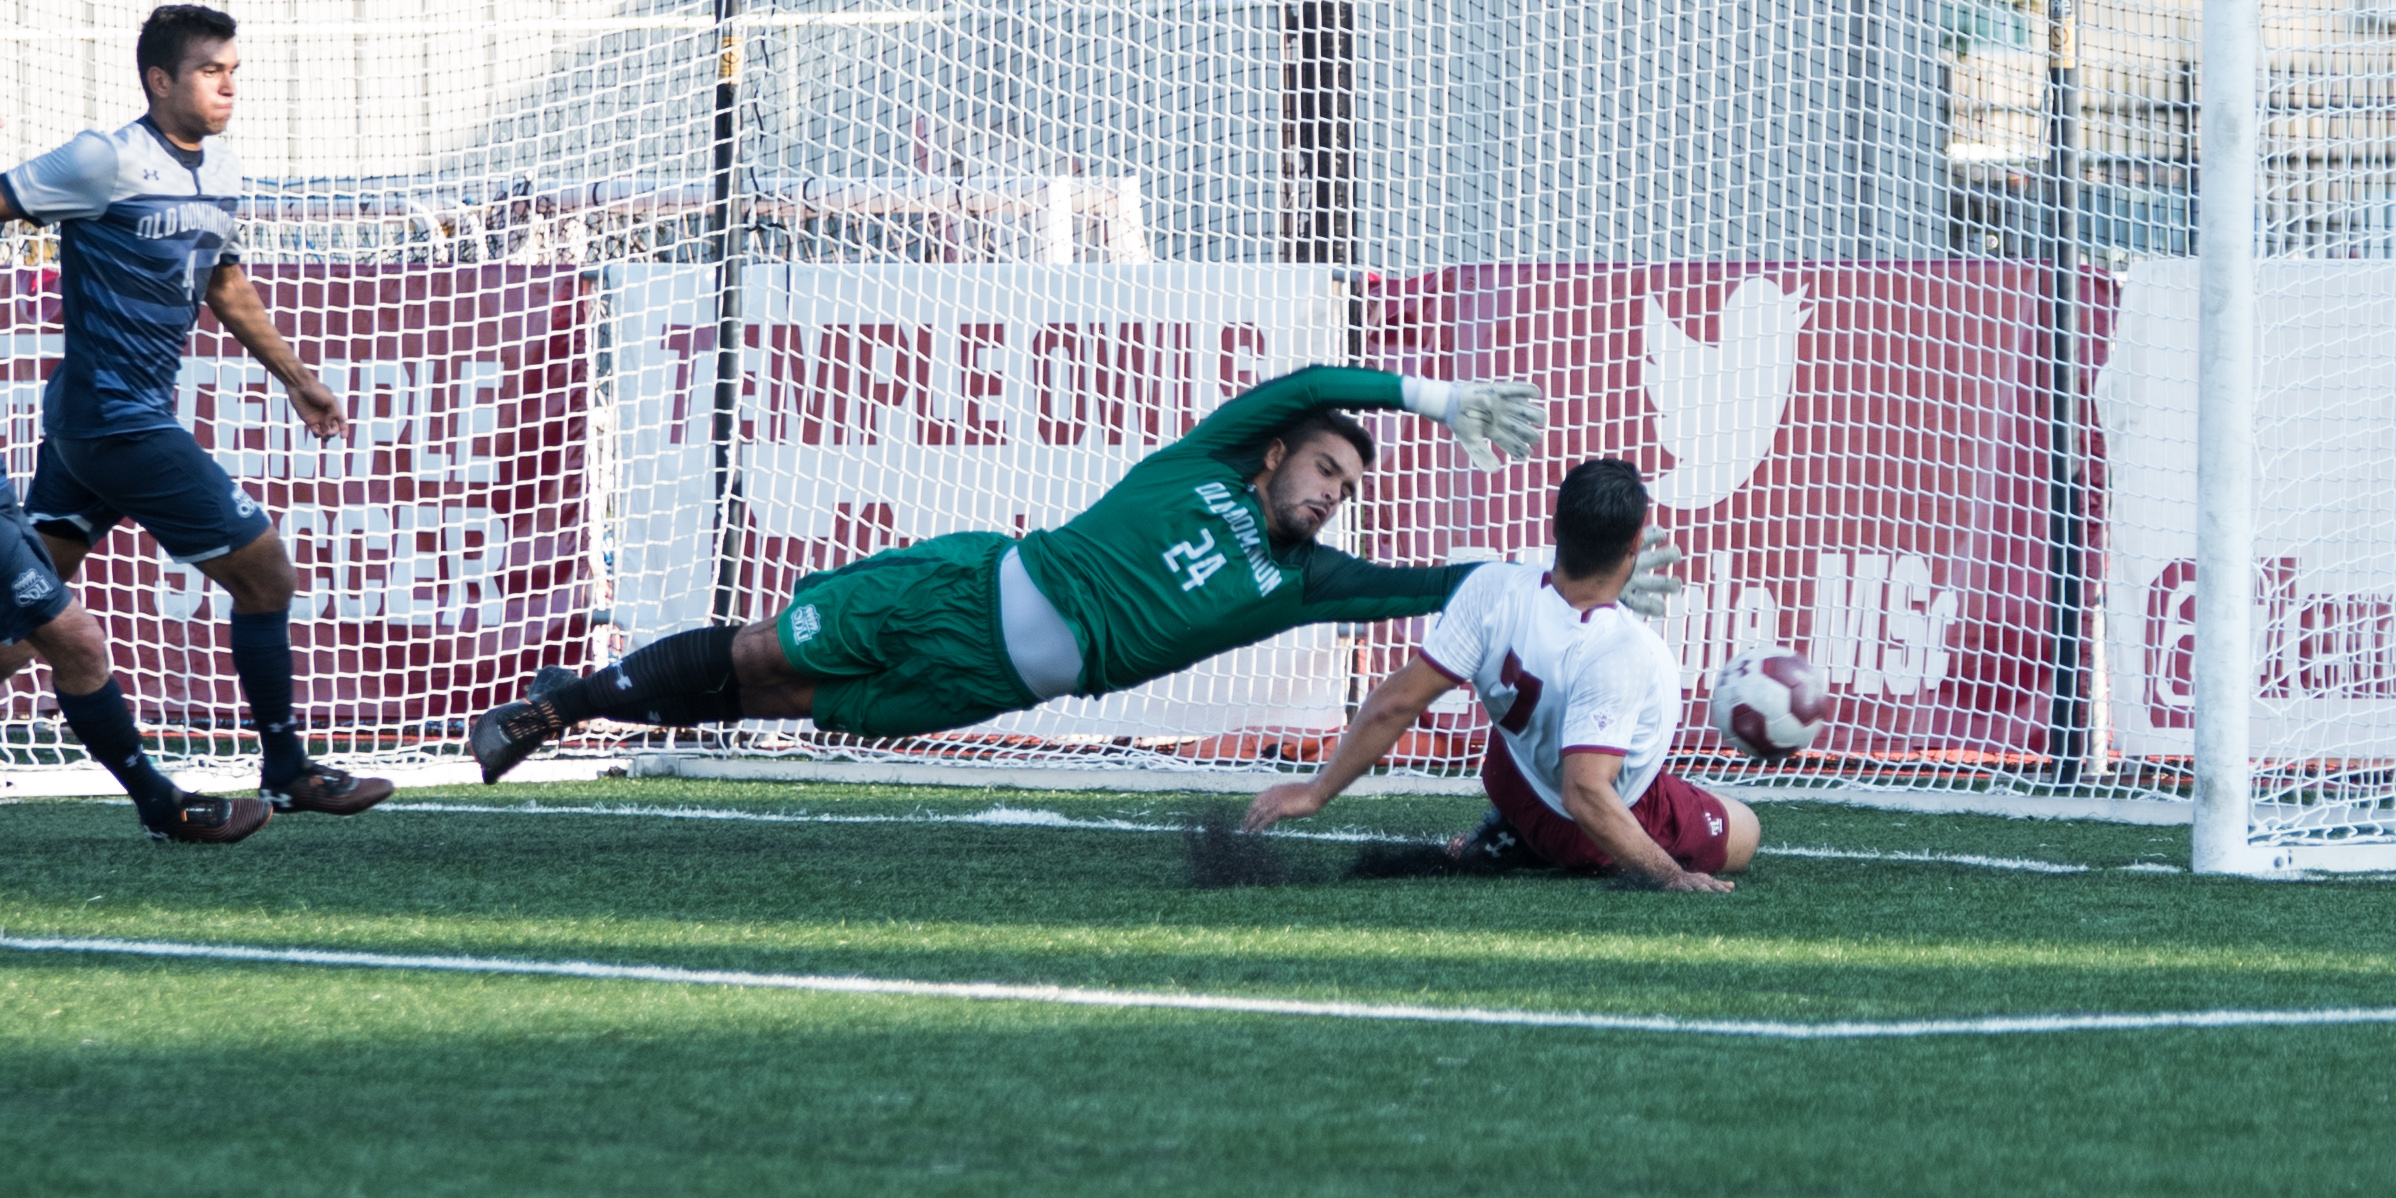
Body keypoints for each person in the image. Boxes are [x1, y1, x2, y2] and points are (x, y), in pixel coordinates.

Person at [0, 6, 391, 817]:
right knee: (265, 572)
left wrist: (294, 376)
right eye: (212, 70)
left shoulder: (226, 168)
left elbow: (221, 280)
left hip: (91, 430)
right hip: (115, 421)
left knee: (6, 632)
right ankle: (280, 769)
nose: (229, 85)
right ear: (160, 79)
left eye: (235, 70)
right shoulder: (103, 158)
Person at [467, 364, 1586, 779]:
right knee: (766, 643)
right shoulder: (1205, 459)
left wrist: (1578, 567)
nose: (1332, 491)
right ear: (1276, 455)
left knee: (778, 698)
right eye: (1325, 466)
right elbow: (1305, 380)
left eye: (1347, 488)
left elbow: (1448, 585)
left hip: (987, 680)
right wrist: (1430, 402)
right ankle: (552, 711)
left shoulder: (1304, 581)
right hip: (963, 585)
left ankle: (575, 710)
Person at [1241, 456, 1754, 892]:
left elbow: (1397, 700)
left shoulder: (1490, 588)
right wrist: (1668, 876)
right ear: (1636, 543)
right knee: (1746, 829)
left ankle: (1510, 832)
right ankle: (1533, 843)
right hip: (1585, 830)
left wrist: (1315, 791)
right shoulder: (1622, 648)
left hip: (1509, 782)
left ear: (1556, 527)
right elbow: (1584, 793)